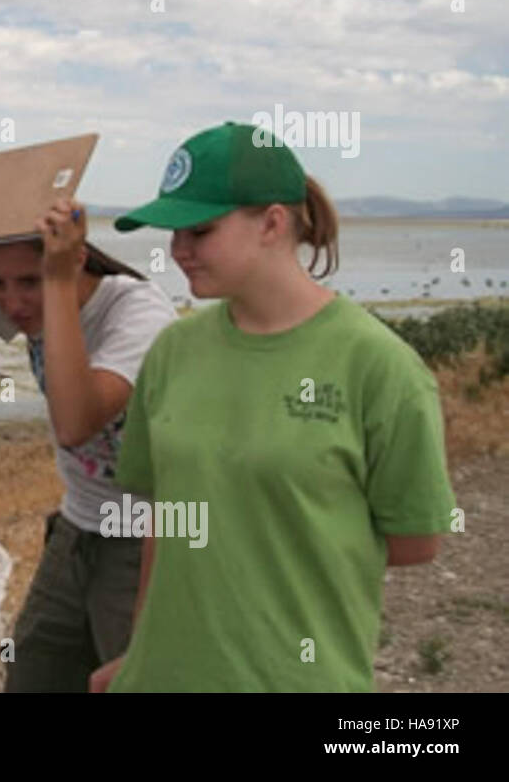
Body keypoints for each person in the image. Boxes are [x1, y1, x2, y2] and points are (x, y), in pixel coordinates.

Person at [91, 121, 457, 692]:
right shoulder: (172, 351)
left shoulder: (380, 367)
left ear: (272, 223)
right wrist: (139, 652)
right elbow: (164, 516)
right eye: (173, 233)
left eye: (199, 231)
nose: (178, 251)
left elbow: (415, 540)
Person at [0, 145, 177, 692]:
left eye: (29, 282)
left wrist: (59, 281)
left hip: (145, 538)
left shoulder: (136, 311)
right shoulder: (15, 289)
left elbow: (76, 421)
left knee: (137, 682)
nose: (13, 302)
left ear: (70, 260)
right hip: (76, 524)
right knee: (34, 675)